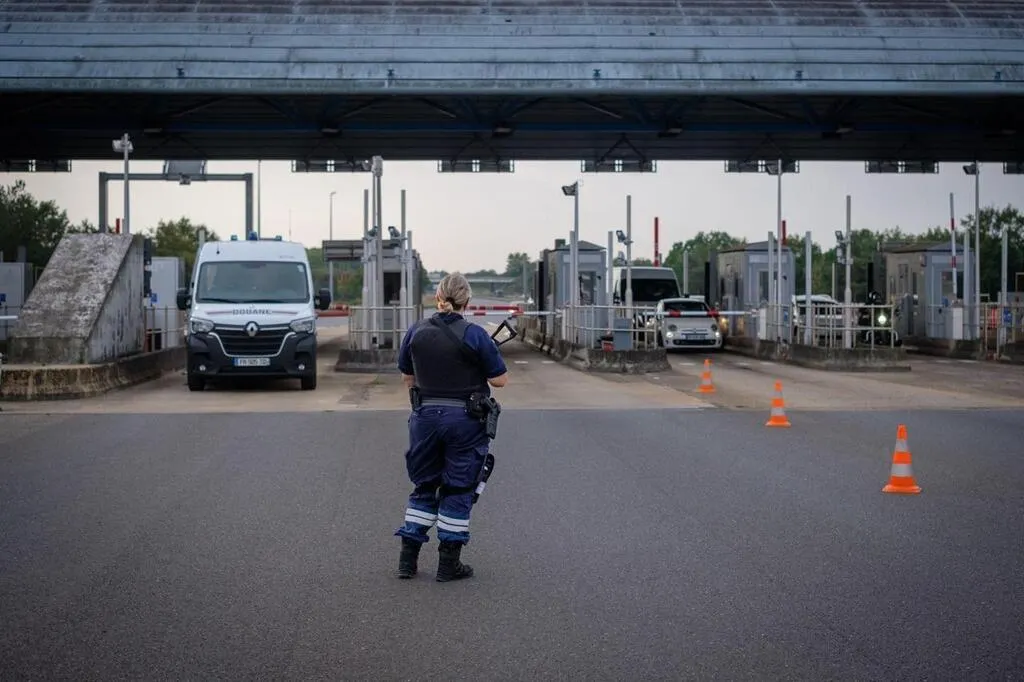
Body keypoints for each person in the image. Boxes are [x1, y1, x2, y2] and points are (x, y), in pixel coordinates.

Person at [393, 272, 508, 582]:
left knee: (424, 484)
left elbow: (407, 375)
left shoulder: (416, 331)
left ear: (437, 298)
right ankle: (448, 564)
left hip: (424, 417)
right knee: (458, 486)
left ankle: (407, 560)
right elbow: (499, 380)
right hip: (466, 422)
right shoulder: (475, 335)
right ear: (467, 302)